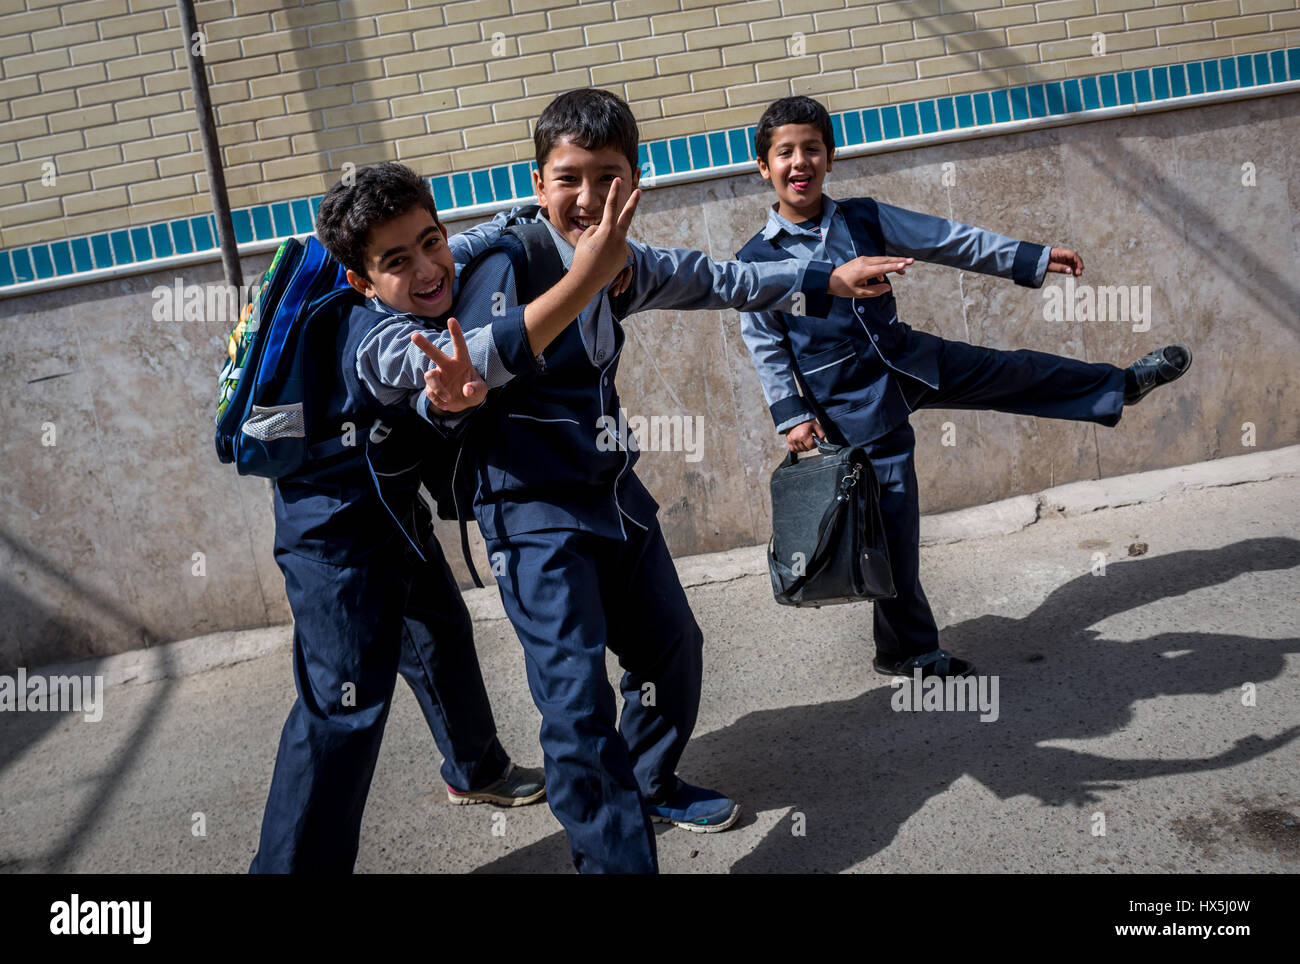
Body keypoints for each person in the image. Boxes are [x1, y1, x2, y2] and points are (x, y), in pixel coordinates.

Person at [361, 88, 906, 873]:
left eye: (607, 177)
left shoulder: (625, 265)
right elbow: (455, 351)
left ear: (635, 181)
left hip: (611, 495)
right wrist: (453, 384)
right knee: (576, 705)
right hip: (529, 512)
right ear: (539, 180)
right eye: (569, 178)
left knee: (671, 649)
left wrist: (825, 277)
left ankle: (651, 780)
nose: (588, 198)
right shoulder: (501, 264)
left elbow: (717, 278)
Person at [250, 160, 628, 872]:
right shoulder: (373, 333)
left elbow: (474, 242)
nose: (429, 268)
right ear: (362, 279)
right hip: (333, 535)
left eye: (432, 240)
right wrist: (451, 395)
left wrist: (530, 213)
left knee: (439, 632)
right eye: (399, 260)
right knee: (343, 707)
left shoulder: (429, 269)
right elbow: (425, 372)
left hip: (390, 509)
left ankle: (475, 768)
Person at [737, 95, 1193, 681]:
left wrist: (1030, 257)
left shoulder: (865, 218)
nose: (800, 162)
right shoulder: (756, 260)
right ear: (762, 167)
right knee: (895, 530)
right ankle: (906, 651)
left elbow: (949, 239)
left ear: (831, 158)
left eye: (812, 149)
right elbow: (765, 344)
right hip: (853, 406)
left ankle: (1119, 387)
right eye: (785, 153)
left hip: (910, 359)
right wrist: (792, 416)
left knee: (1015, 369)